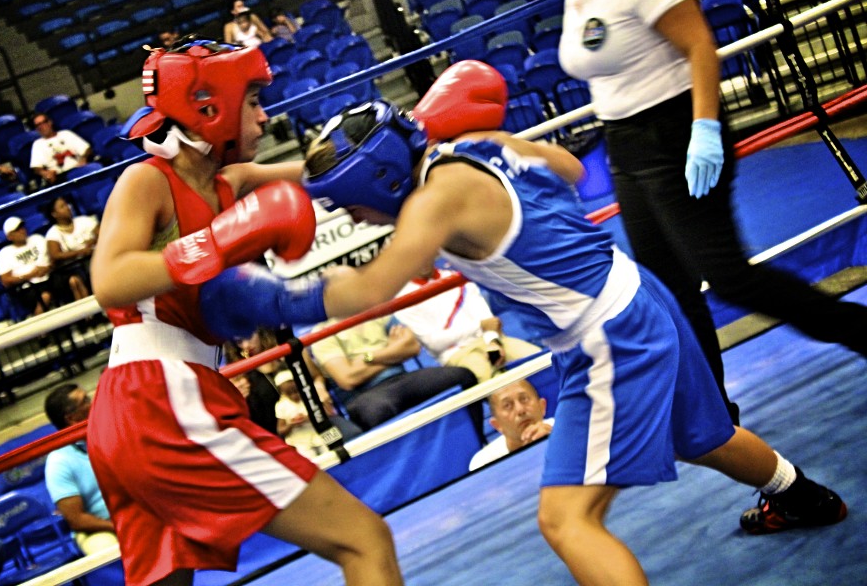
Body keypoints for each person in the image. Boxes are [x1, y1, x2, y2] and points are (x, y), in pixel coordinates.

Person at [199, 64, 847, 585]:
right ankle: (803, 496)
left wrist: (263, 298)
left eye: (352, 202)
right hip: (636, 297)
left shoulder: (435, 201)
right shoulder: (467, 148)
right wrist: (261, 176)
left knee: (566, 520)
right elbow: (565, 168)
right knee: (703, 434)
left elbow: (368, 287)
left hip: (607, 339)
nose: (352, 215)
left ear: (388, 180)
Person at [85, 40, 402, 586]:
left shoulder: (234, 183)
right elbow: (108, 281)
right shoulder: (148, 180)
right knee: (364, 540)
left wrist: (417, 148)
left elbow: (327, 175)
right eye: (252, 99)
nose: (264, 114)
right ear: (211, 106)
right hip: (161, 397)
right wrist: (214, 242)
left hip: (139, 408)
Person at [539, 0, 867, 426]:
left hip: (674, 133)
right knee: (671, 291)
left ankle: (859, 330)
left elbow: (699, 47)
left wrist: (705, 130)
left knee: (728, 275)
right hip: (626, 147)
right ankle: (717, 418)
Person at [307, 313, 480, 431]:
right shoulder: (322, 332)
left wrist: (368, 358)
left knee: (462, 376)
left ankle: (475, 441)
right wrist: (393, 352)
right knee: (378, 412)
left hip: (403, 378)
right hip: (364, 395)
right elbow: (347, 378)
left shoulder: (376, 311)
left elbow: (412, 347)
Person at [393, 265, 542, 381]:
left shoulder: (455, 276)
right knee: (496, 382)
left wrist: (493, 341)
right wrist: (478, 326)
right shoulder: (403, 299)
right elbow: (434, 343)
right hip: (457, 354)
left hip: (491, 340)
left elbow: (487, 319)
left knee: (540, 360)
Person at [43, 384, 117, 555]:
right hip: (99, 527)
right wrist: (117, 527)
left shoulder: (112, 433)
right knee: (105, 549)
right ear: (72, 418)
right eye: (86, 401)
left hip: (136, 512)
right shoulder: (59, 461)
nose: (93, 403)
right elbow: (76, 519)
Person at [469, 377, 553, 471]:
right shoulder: (484, 463)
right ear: (497, 425)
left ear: (542, 406)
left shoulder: (565, 430)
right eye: (507, 405)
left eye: (524, 399)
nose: (520, 410)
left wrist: (555, 440)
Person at [0, 216, 59, 316]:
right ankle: (40, 329)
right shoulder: (5, 253)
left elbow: (54, 257)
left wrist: (48, 267)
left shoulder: (38, 239)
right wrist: (29, 275)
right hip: (26, 287)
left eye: (22, 227)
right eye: (17, 230)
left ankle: (86, 322)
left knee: (73, 280)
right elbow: (5, 280)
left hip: (49, 277)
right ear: (9, 236)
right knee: (45, 296)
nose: (22, 231)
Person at [44, 196, 98, 300]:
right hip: (72, 268)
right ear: (54, 214)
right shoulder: (52, 233)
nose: (68, 207)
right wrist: (80, 252)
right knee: (74, 281)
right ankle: (89, 315)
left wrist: (92, 242)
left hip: (94, 258)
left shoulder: (84, 220)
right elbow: (55, 255)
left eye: (67, 204)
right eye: (62, 206)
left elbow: (103, 233)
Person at [29, 112, 91, 185]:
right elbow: (36, 167)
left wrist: (84, 158)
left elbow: (87, 149)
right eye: (38, 125)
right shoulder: (37, 144)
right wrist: (44, 173)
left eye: (44, 122)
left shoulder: (66, 134)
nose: (42, 126)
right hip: (59, 177)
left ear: (50, 122)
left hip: (79, 169)